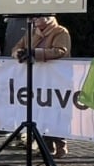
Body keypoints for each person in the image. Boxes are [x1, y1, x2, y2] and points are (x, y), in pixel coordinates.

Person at [12, 15, 72, 158]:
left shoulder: (60, 31)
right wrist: (19, 54)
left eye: (38, 17)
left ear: (48, 17)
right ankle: (46, 146)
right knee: (41, 112)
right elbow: (16, 47)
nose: (35, 20)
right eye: (34, 17)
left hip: (56, 79)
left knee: (56, 112)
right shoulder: (31, 32)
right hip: (38, 79)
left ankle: (60, 145)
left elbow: (61, 51)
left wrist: (35, 53)